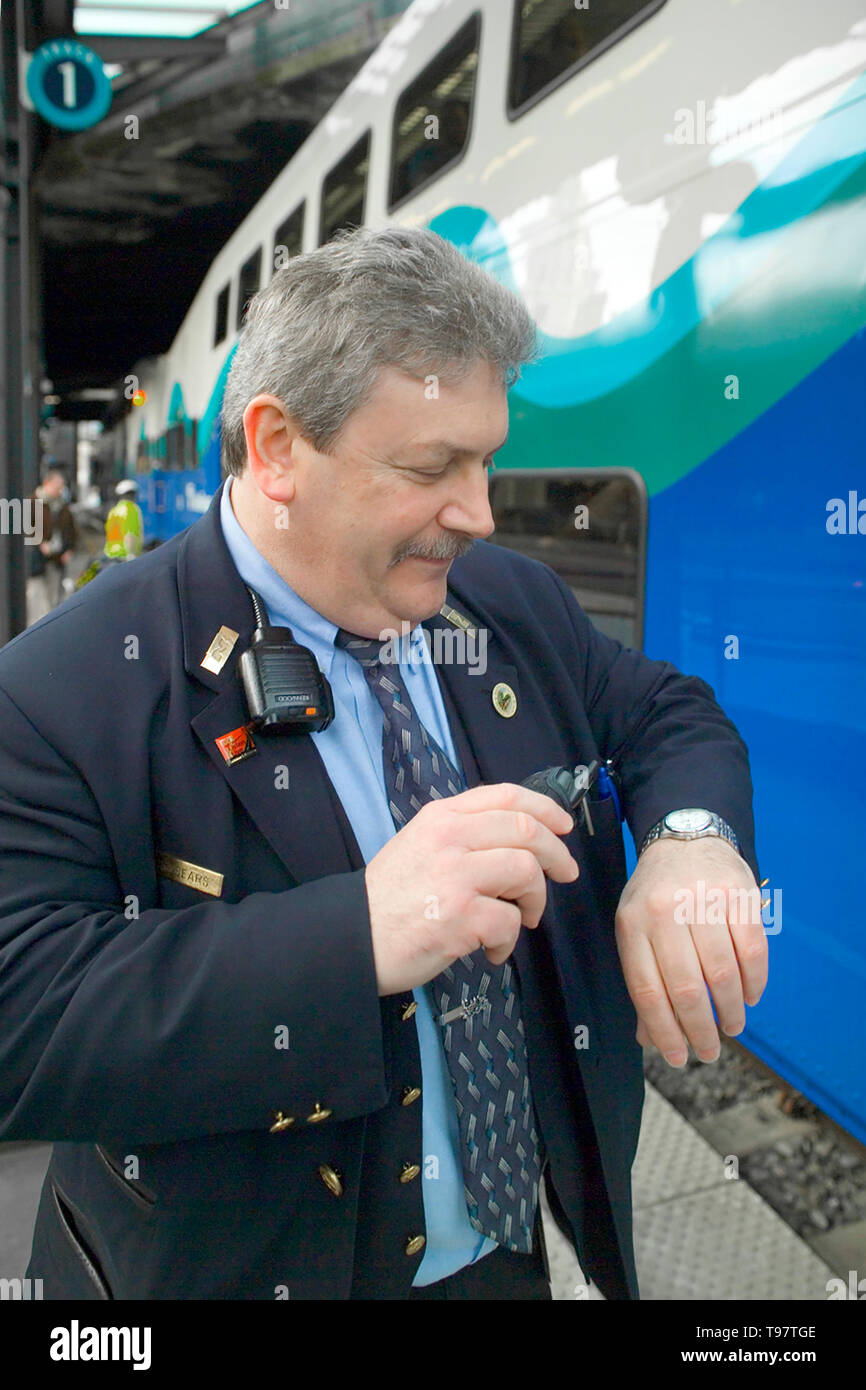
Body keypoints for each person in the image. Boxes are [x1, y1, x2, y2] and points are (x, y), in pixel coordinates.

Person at [0, 226, 767, 1301]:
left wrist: (691, 842)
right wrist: (355, 931)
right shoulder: (66, 683)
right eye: (429, 468)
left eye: (486, 458)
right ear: (275, 449)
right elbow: (21, 1015)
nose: (481, 512)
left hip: (507, 1260)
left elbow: (662, 713)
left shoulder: (505, 600)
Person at [25, 467, 77, 624]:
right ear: (47, 484)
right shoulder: (33, 502)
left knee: (55, 600)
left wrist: (70, 550)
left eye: (61, 487)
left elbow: (72, 530)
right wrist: (40, 544)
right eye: (57, 487)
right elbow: (26, 529)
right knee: (37, 600)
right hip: (38, 561)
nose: (60, 490)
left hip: (57, 559)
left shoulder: (63, 506)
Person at [75, 479, 145, 590]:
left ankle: (77, 586)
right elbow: (130, 535)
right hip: (124, 557)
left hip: (110, 554)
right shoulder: (132, 509)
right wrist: (132, 557)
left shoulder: (114, 511)